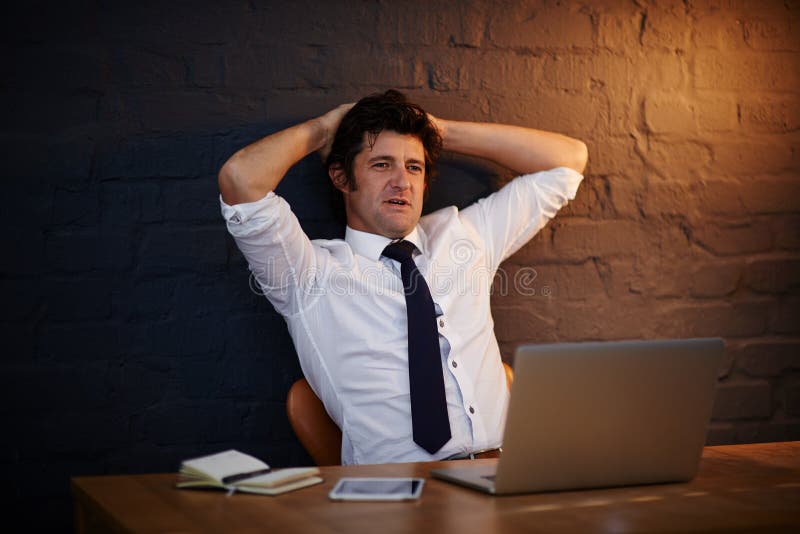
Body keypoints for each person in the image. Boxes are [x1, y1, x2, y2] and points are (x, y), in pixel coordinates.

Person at [218, 90, 587, 465]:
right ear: (342, 178)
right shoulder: (307, 272)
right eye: (382, 165)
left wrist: (438, 131)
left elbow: (567, 162)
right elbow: (240, 180)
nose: (402, 181)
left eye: (415, 167)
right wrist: (324, 129)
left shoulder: (462, 236)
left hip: (504, 474)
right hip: (393, 491)